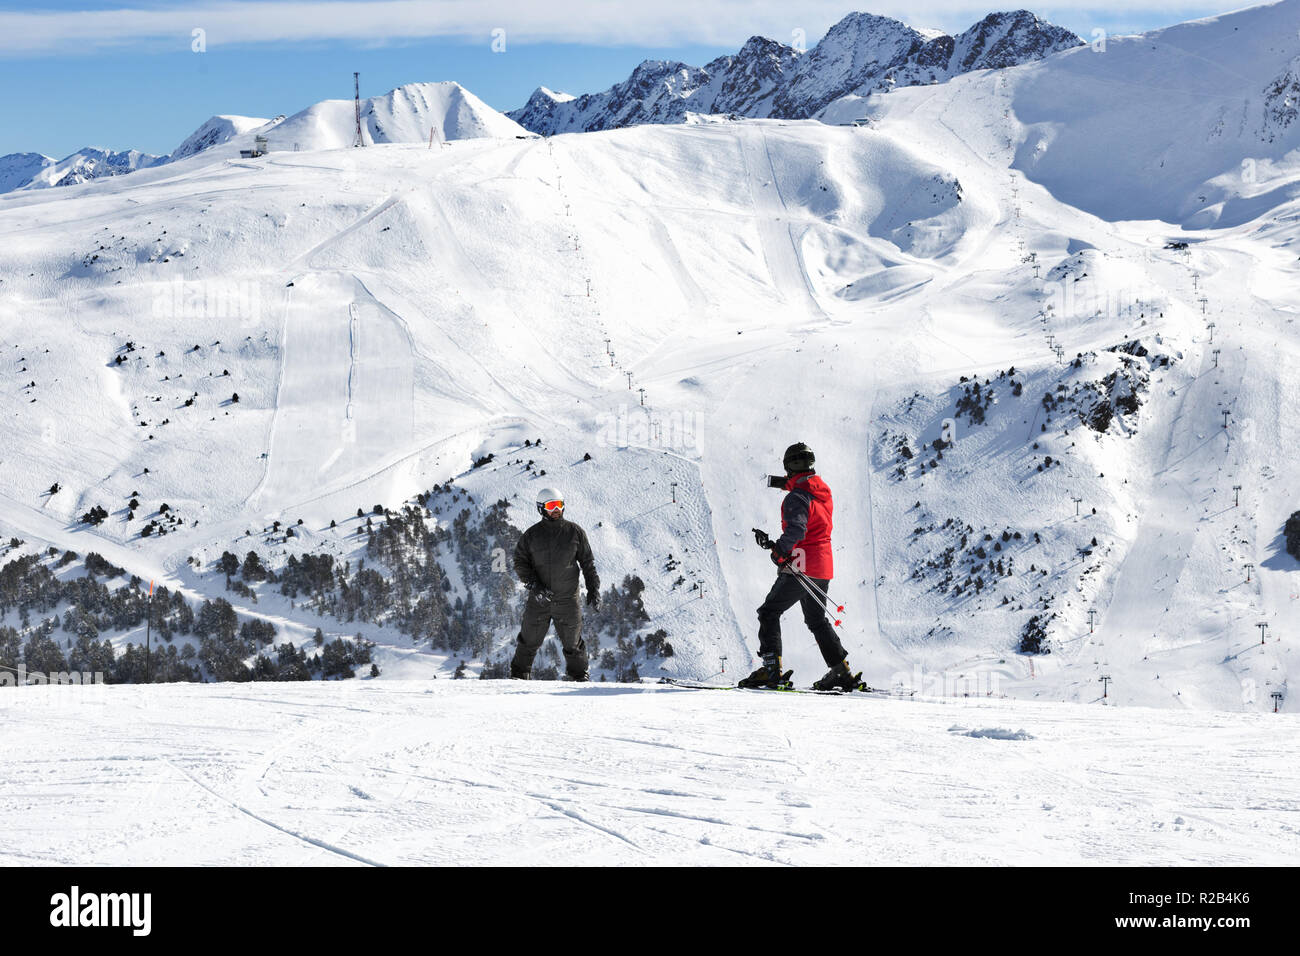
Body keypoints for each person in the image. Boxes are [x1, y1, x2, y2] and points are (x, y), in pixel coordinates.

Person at [741, 442, 862, 691]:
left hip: (801, 565)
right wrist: (780, 482)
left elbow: (797, 528)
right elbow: (801, 490)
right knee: (817, 620)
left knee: (769, 612)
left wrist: (779, 552)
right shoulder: (820, 492)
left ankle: (772, 671)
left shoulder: (796, 497)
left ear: (788, 467)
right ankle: (841, 672)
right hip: (823, 566)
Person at [511, 486, 601, 681]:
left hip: (568, 600)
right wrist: (535, 586)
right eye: (551, 506)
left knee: (573, 643)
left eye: (559, 505)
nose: (556, 509)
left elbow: (588, 563)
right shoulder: (531, 535)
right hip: (540, 600)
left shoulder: (574, 532)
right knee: (528, 640)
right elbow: (520, 562)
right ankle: (518, 676)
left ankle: (578, 677)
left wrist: (594, 589)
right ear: (541, 508)